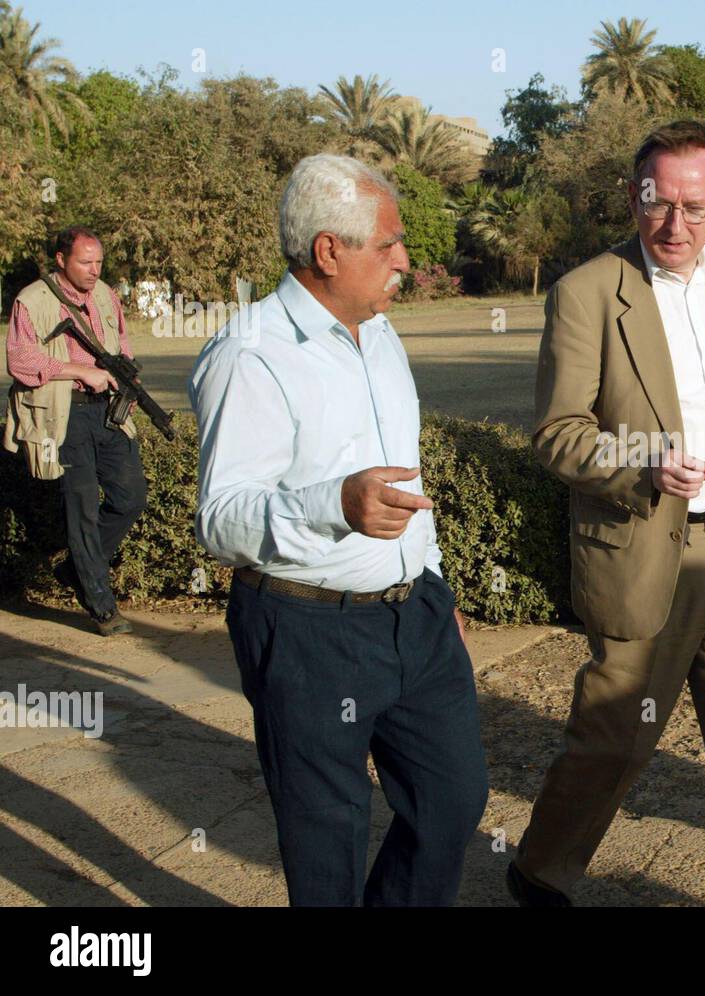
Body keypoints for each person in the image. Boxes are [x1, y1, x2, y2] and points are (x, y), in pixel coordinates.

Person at [508, 120, 705, 906]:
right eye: (657, 203)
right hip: (646, 547)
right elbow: (556, 433)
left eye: (694, 206)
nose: (673, 225)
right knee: (617, 739)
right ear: (634, 197)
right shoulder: (586, 294)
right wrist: (641, 462)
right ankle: (540, 869)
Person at [189, 153, 487, 905]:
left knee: (453, 801)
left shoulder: (380, 333)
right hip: (306, 633)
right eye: (387, 244)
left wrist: (434, 578)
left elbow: (402, 476)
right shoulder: (250, 353)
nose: (405, 261)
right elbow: (221, 520)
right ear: (329, 250)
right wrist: (334, 505)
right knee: (328, 844)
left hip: (414, 619)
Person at [4, 226, 147, 636]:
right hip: (63, 415)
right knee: (81, 507)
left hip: (108, 412)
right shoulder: (31, 300)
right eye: (86, 262)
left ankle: (75, 569)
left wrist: (127, 381)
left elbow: (121, 342)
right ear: (61, 260)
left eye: (99, 261)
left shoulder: (105, 294)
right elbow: (21, 361)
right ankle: (101, 604)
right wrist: (78, 370)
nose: (94, 269)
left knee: (131, 497)